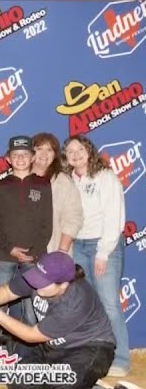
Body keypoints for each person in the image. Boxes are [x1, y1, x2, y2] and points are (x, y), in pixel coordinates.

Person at [0, 251, 145, 389]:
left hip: (91, 350)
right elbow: (7, 291)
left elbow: (31, 335)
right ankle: (77, 385)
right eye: (37, 277)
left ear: (64, 284)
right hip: (55, 348)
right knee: (17, 381)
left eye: (43, 283)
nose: (36, 284)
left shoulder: (75, 301)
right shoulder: (39, 277)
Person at [64, 134, 131, 375]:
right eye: (70, 151)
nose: (75, 154)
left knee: (110, 303)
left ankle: (121, 358)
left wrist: (103, 252)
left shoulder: (105, 177)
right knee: (88, 303)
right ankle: (94, 355)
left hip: (103, 245)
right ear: (66, 157)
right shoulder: (68, 181)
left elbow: (114, 217)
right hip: (78, 245)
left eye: (79, 149)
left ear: (89, 151)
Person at [0, 135, 52, 334]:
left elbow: (47, 223)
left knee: (35, 308)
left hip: (34, 257)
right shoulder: (0, 186)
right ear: (8, 159)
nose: (21, 159)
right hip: (5, 256)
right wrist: (10, 248)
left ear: (33, 157)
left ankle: (36, 355)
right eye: (16, 155)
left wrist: (35, 252)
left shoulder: (43, 184)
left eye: (25, 154)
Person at [32, 132, 82, 256]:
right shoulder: (16, 180)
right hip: (18, 258)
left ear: (55, 155)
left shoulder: (63, 182)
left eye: (49, 150)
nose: (44, 154)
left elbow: (73, 218)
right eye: (39, 149)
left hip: (52, 251)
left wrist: (61, 252)